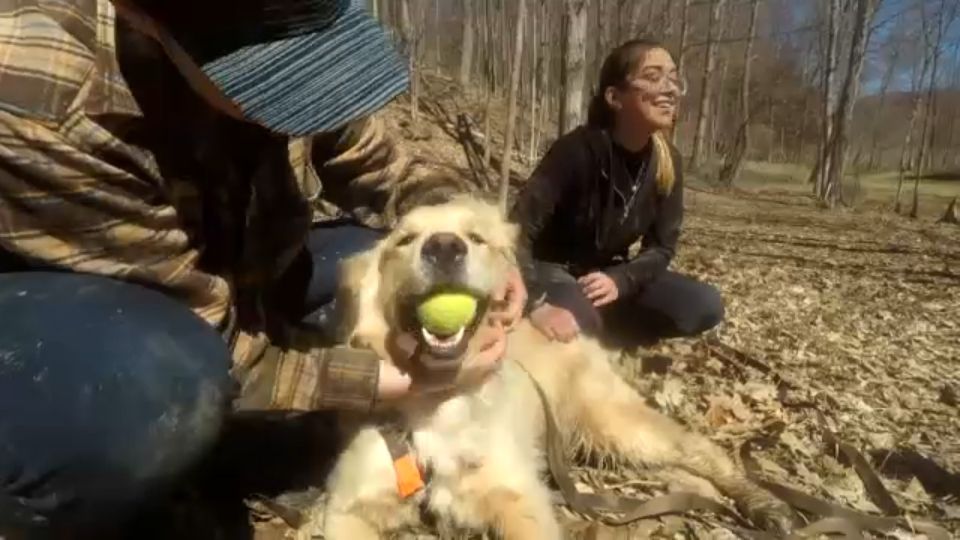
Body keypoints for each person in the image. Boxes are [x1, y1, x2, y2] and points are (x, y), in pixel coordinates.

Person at [0, 0, 526, 537]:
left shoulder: (280, 30)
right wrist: (395, 381)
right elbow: (221, 341)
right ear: (141, 17)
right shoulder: (38, 91)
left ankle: (242, 444)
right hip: (58, 321)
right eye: (266, 74)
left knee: (374, 261)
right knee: (178, 371)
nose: (306, 89)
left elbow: (386, 168)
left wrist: (477, 239)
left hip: (230, 278)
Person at [510, 39, 723, 349]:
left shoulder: (668, 161)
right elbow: (516, 230)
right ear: (615, 97)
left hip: (608, 276)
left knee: (703, 305)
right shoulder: (576, 151)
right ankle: (581, 325)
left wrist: (621, 279)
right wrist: (536, 302)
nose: (671, 90)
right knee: (575, 322)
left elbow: (661, 247)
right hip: (553, 273)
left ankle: (604, 330)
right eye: (653, 77)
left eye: (674, 79)